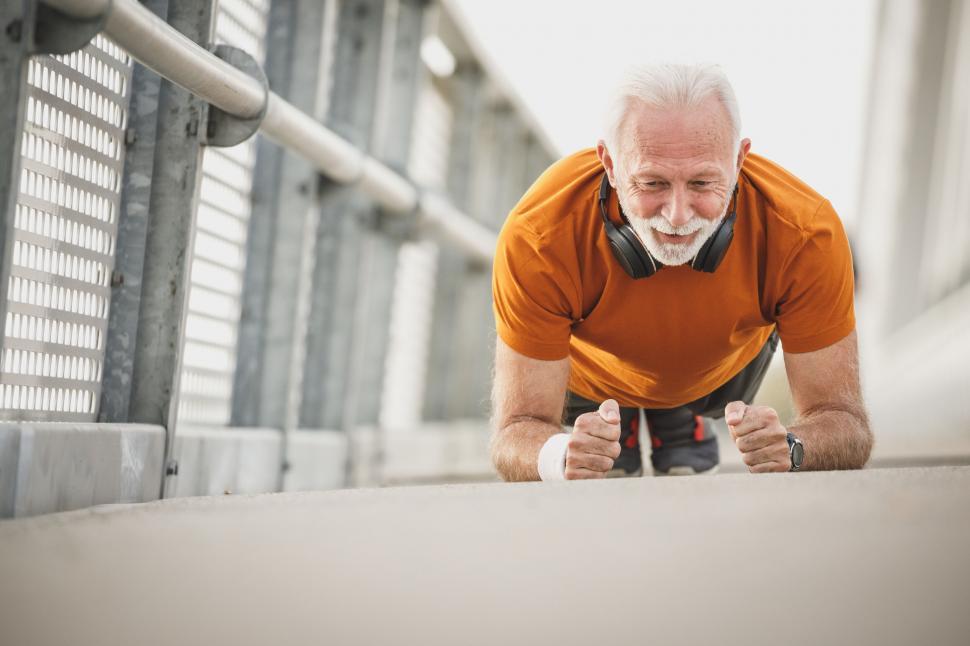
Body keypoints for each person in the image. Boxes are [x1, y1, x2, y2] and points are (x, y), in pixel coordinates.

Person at [489, 63, 873, 481]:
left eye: (702, 184)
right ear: (610, 165)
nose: (676, 215)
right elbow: (514, 430)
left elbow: (845, 423)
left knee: (679, 427)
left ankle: (680, 412)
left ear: (740, 160)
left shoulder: (804, 233)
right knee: (606, 466)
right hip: (589, 381)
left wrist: (795, 447)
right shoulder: (538, 237)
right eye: (652, 184)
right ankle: (624, 420)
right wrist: (561, 454)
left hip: (719, 373)